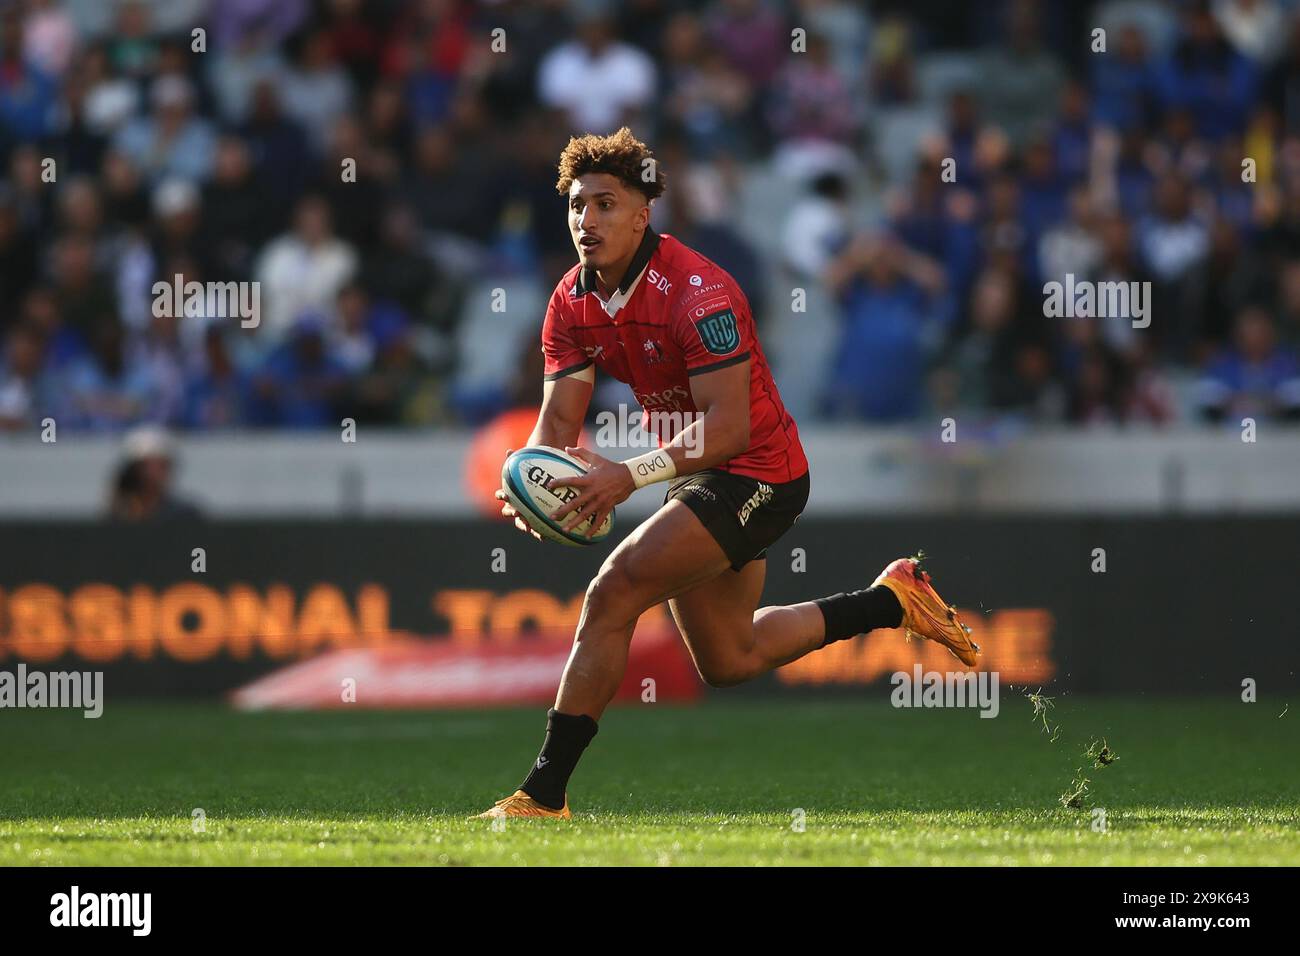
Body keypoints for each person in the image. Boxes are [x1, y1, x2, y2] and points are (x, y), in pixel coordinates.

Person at [477, 129, 979, 819]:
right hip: (699, 473)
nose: (585, 221)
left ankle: (543, 793)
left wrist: (626, 477)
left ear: (641, 213)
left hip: (759, 471)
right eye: (575, 206)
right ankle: (892, 601)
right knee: (730, 659)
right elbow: (557, 425)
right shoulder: (570, 301)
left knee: (613, 592)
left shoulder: (698, 293)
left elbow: (729, 428)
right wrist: (531, 483)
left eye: (604, 204)